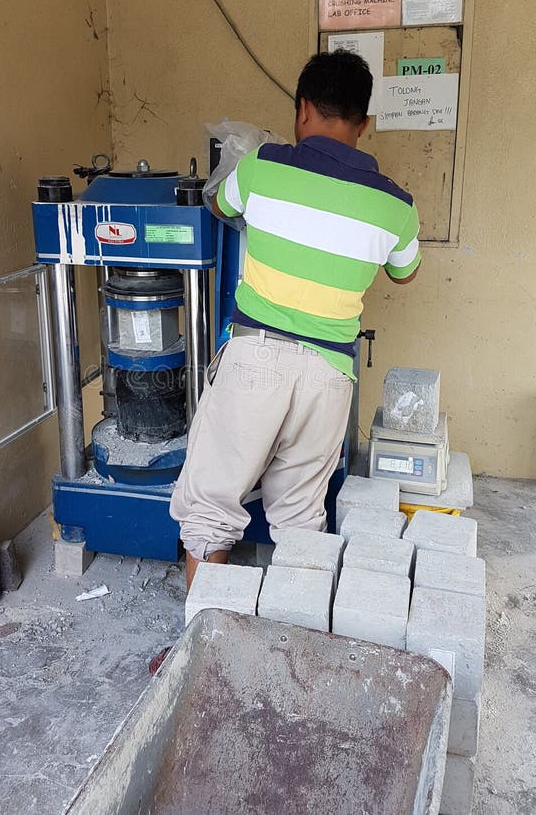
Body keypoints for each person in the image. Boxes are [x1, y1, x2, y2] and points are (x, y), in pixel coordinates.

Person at [171, 50, 421, 590]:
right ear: (365, 122)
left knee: (212, 508)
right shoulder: (397, 206)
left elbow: (220, 208)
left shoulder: (262, 165)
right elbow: (404, 272)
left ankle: (202, 646)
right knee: (303, 517)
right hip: (329, 377)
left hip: (257, 357)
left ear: (303, 109)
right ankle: (291, 646)